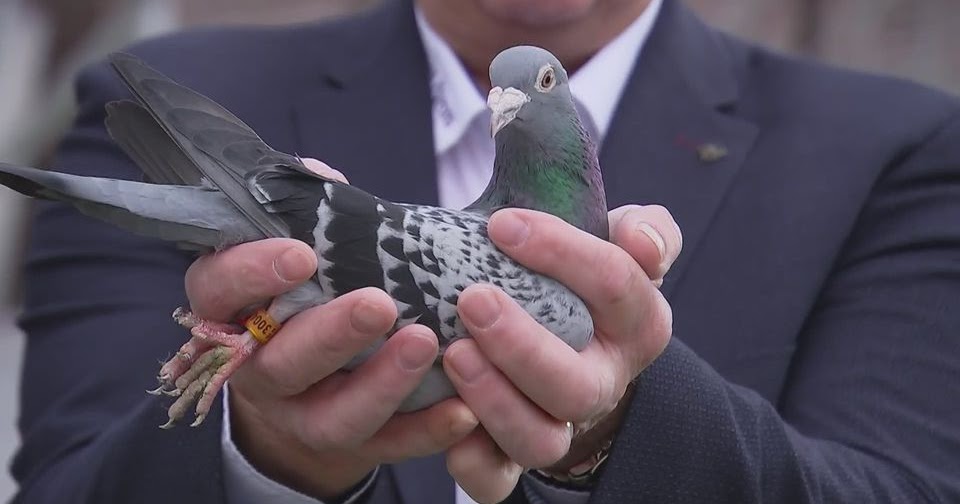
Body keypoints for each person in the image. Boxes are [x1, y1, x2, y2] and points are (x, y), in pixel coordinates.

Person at [10, 0, 960, 502]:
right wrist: (262, 455)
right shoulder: (193, 73)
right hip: (282, 216)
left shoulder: (901, 150)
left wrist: (615, 431)